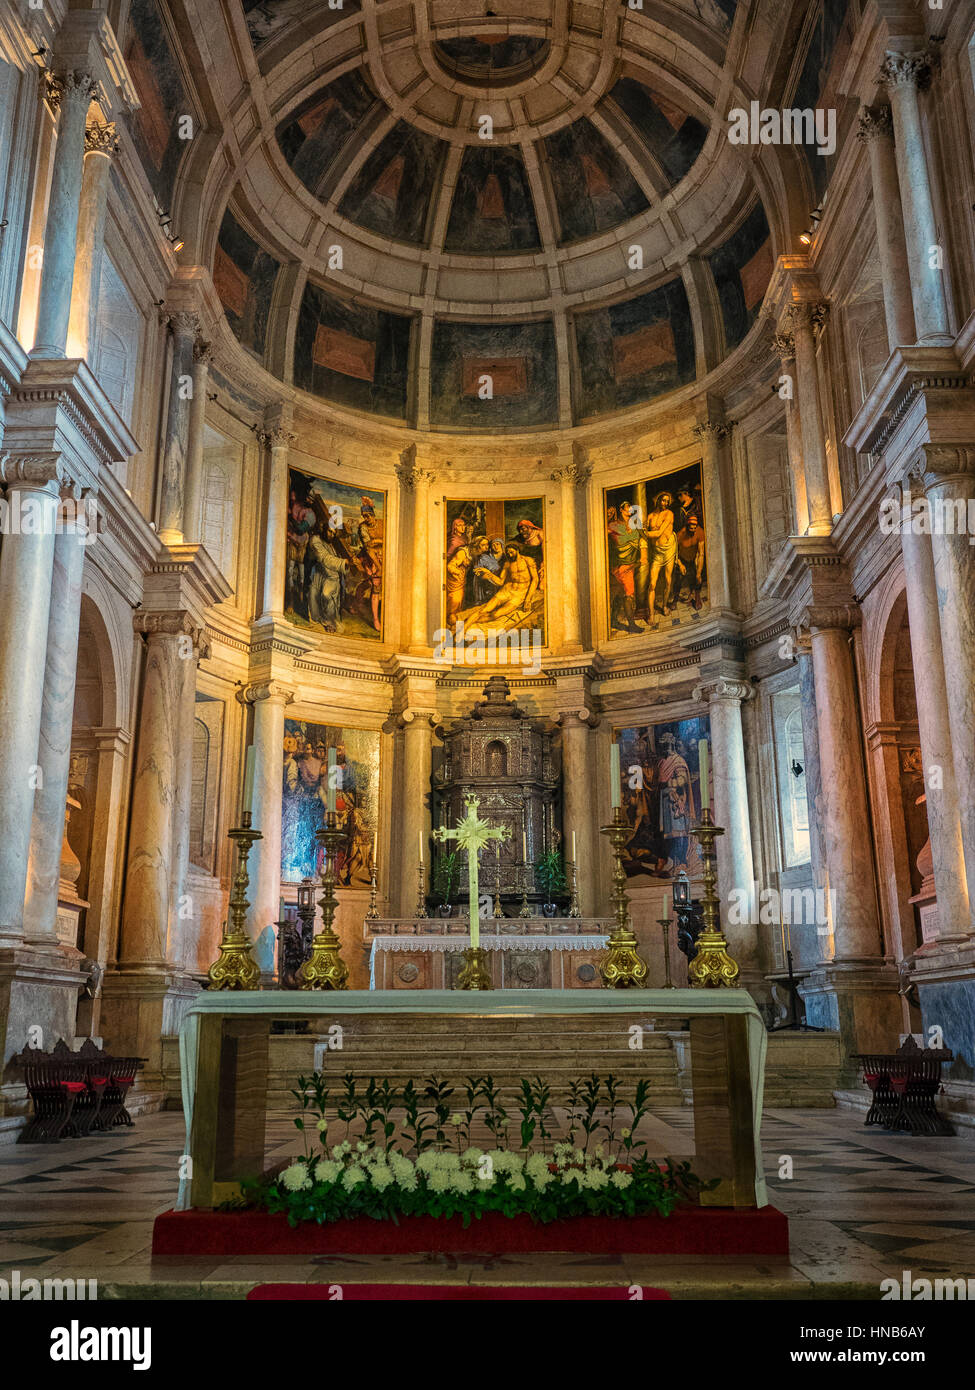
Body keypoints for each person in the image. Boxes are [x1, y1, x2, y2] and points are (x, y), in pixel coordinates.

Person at [461, 544, 538, 628]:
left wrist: (527, 599)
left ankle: (468, 623)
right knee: (484, 610)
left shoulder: (528, 560)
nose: (510, 555)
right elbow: (500, 582)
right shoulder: (507, 564)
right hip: (506, 591)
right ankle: (464, 627)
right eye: (508, 553)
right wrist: (489, 573)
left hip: (519, 595)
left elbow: (535, 579)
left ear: (517, 550)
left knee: (495, 615)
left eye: (511, 552)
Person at [607, 500, 643, 634]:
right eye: (627, 508)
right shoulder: (614, 525)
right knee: (629, 595)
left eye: (631, 508)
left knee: (620, 593)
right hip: (622, 565)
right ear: (621, 510)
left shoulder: (634, 525)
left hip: (632, 563)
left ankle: (613, 619)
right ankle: (632, 625)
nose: (629, 510)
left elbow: (641, 540)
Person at [645, 491, 677, 629]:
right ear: (657, 500)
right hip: (657, 553)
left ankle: (664, 606)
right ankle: (651, 613)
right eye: (663, 500)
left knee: (668, 580)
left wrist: (643, 532)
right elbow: (646, 531)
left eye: (667, 501)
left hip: (668, 549)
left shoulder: (669, 514)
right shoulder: (650, 516)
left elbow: (658, 533)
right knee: (652, 584)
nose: (665, 503)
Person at [671, 512, 706, 612]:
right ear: (687, 526)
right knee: (678, 580)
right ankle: (675, 600)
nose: (693, 530)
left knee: (697, 577)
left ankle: (697, 596)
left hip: (693, 559)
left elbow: (701, 553)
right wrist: (680, 565)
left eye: (695, 528)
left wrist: (699, 572)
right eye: (691, 528)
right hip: (681, 559)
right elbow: (675, 553)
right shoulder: (680, 535)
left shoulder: (700, 532)